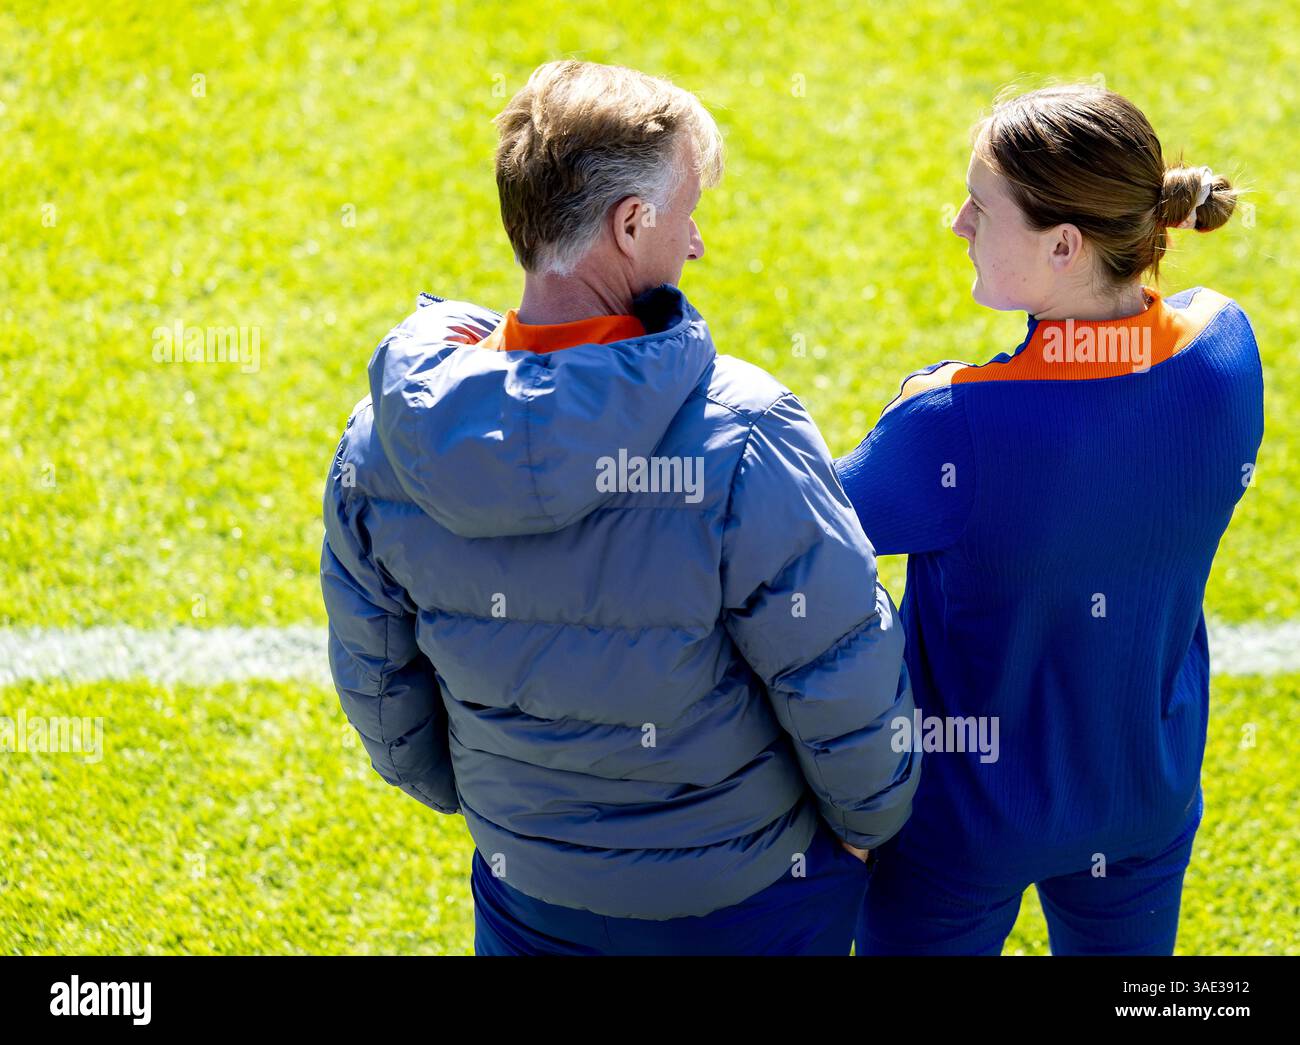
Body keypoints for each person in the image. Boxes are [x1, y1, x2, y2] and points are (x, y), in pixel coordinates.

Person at [320, 59, 918, 956]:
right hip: (751, 905)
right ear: (631, 224)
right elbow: (840, 671)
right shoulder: (745, 432)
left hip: (532, 894)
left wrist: (500, 806)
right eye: (687, 212)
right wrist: (870, 821)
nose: (697, 243)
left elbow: (380, 691)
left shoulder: (380, 445)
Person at [835, 84, 1264, 956]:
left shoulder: (951, 423)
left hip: (959, 829)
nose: (958, 222)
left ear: (1066, 245)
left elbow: (790, 528)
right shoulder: (1229, 346)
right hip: (1147, 797)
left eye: (981, 208)